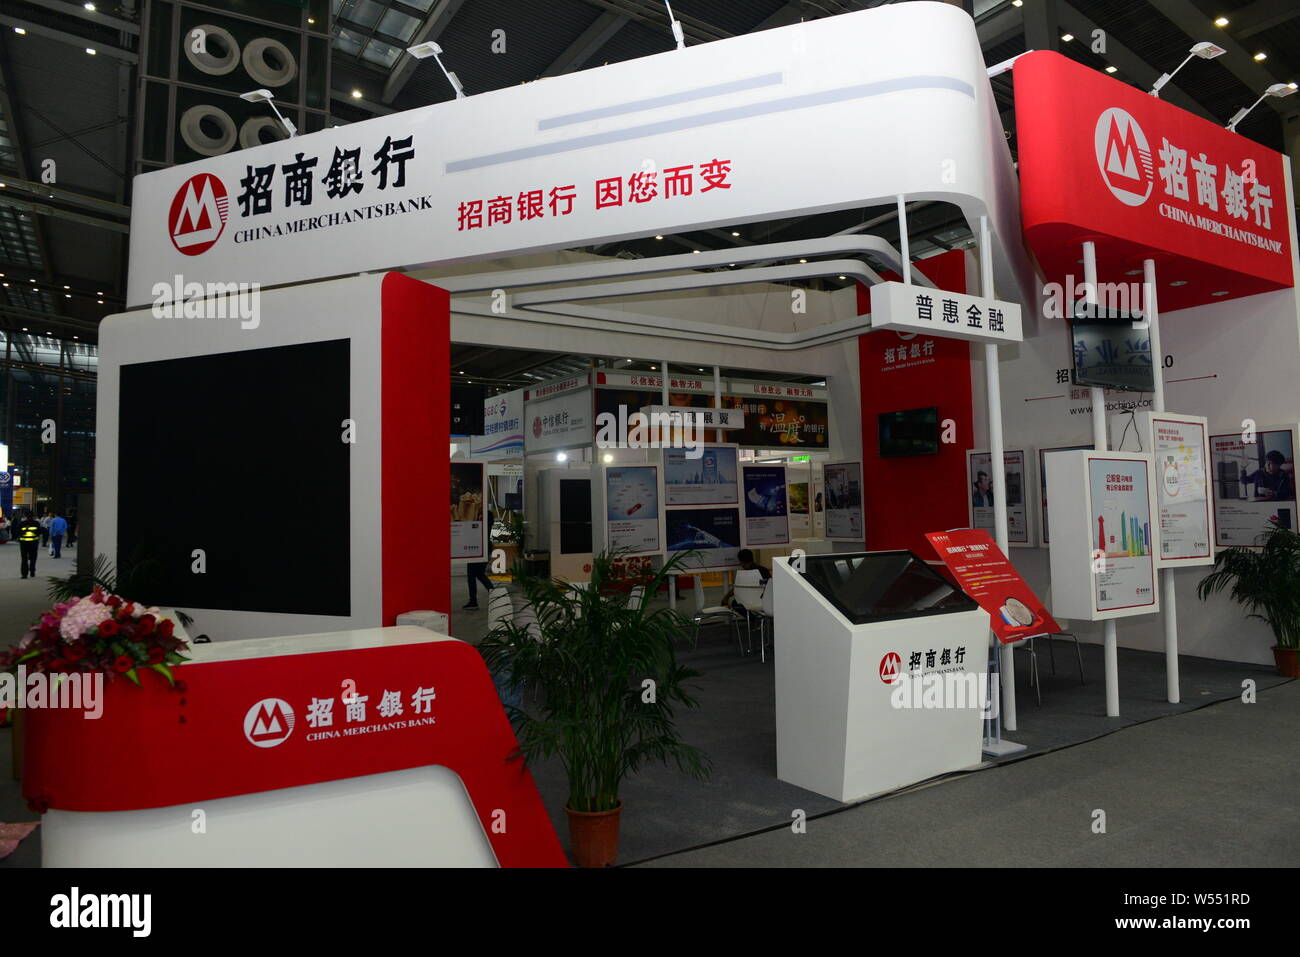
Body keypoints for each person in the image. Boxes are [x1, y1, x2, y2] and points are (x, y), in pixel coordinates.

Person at [463, 508, 495, 610]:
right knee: (475, 574)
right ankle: (475, 600)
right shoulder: (484, 514)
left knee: (475, 574)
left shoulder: (485, 515)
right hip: (478, 547)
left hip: (481, 547)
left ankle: (475, 600)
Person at [15, 510, 41, 579]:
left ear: (26, 516)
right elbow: (39, 533)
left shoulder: (22, 523)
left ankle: (24, 574)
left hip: (24, 544)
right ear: (33, 516)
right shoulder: (36, 523)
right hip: (34, 544)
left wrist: (25, 531)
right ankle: (32, 571)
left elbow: (18, 533)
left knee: (24, 559)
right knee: (33, 558)